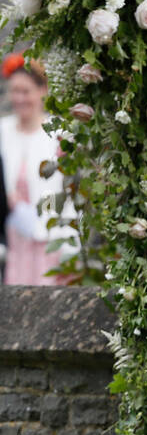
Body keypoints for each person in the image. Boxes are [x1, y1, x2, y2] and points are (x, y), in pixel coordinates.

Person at [1, 57, 71, 285]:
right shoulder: (3, 131)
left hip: (49, 237)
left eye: (26, 91)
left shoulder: (58, 134)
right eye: (15, 91)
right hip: (13, 239)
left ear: (42, 90)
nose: (20, 99)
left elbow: (68, 188)